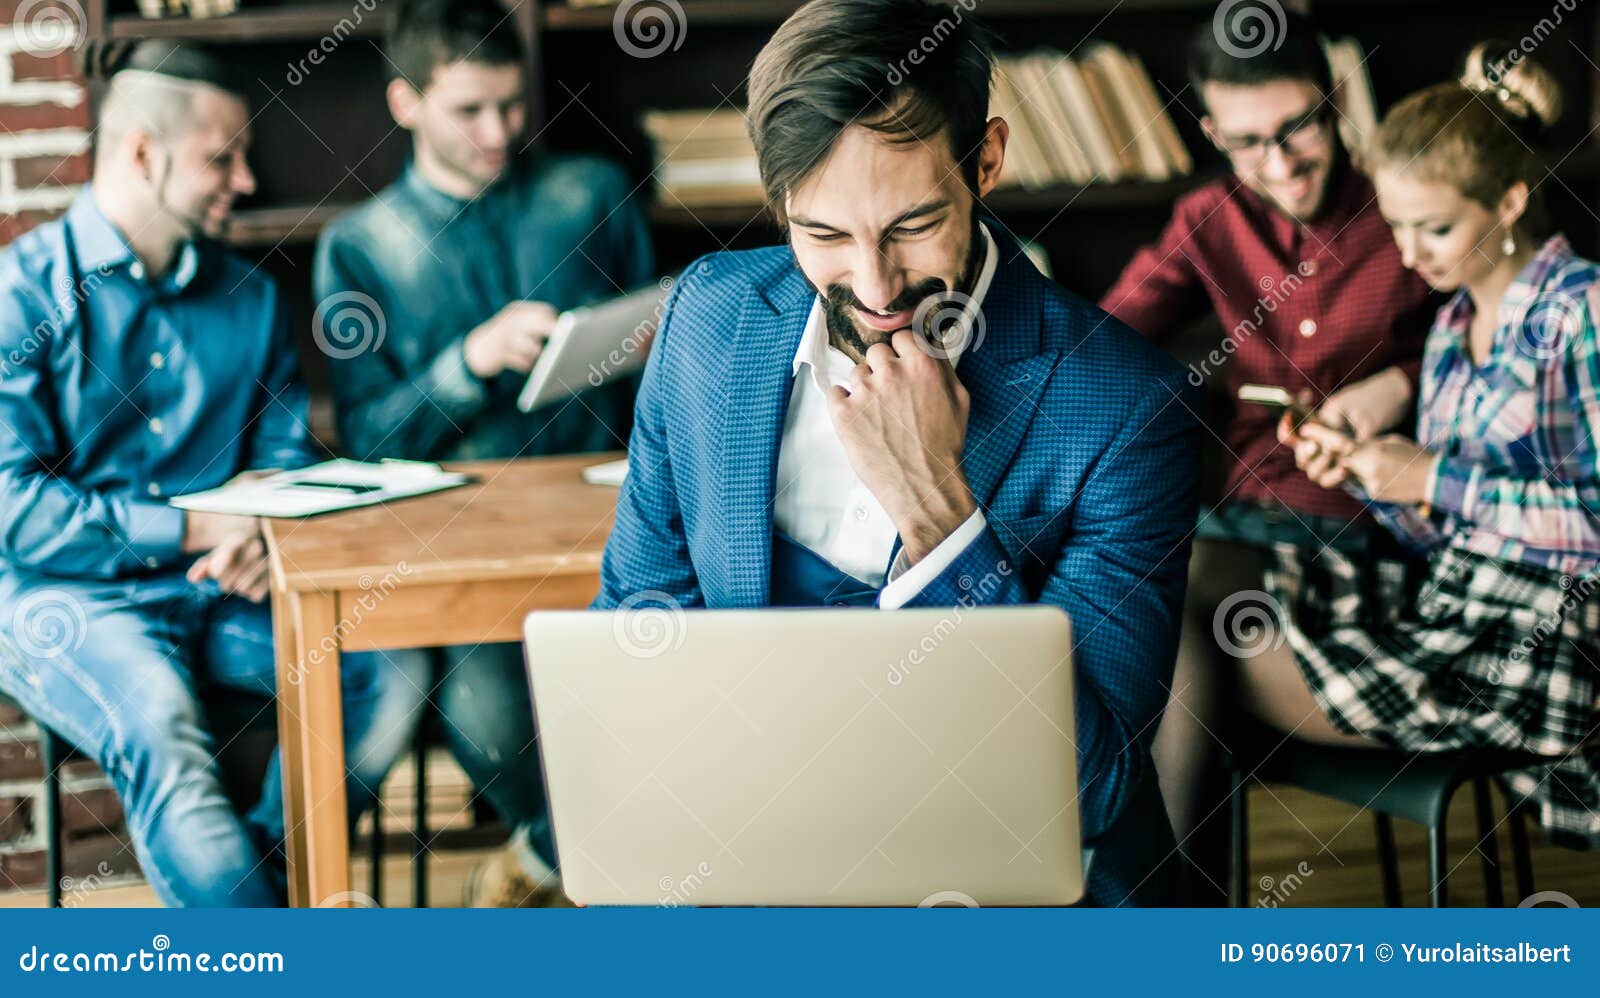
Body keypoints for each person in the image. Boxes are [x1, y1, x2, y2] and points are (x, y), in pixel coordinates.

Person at [594, 0, 1201, 907]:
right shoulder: (703, 320)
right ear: (778, 201)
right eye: (825, 235)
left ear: (986, 161)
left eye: (913, 225)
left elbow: (1091, 791)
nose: (873, 287)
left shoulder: (1128, 406)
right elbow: (637, 629)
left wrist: (938, 514)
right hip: (764, 877)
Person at [0, 42, 423, 906]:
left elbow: (284, 463)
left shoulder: (251, 297)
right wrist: (196, 528)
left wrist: (268, 540)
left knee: (395, 666)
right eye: (220, 158)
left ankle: (252, 906)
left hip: (217, 588)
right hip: (59, 597)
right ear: (144, 154)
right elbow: (13, 510)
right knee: (162, 727)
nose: (243, 182)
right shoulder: (20, 296)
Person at [313, 0, 653, 906]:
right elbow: (367, 439)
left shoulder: (591, 191)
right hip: (457, 543)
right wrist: (464, 365)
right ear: (405, 104)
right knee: (489, 718)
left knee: (683, 683)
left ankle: (568, 867)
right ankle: (585, 864)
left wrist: (640, 341)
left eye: (511, 104)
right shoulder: (358, 247)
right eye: (470, 111)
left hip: (613, 521)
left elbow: (659, 354)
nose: (501, 131)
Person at [1098, 6, 1436, 901]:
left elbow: (1485, 342)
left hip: (1371, 533)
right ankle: (1183, 920)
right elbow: (1105, 342)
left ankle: (1170, 923)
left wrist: (1399, 384)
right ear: (1211, 132)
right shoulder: (1207, 219)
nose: (1280, 164)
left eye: (1297, 130)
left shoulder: (1404, 205)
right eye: (1249, 144)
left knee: (1166, 623)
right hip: (1243, 531)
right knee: (1167, 608)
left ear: (1331, 106)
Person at [1272, 44, 1600, 850]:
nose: (1411, 256)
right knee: (1226, 597)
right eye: (1397, 228)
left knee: (1207, 667)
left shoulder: (1582, 310)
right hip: (1459, 602)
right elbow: (1449, 527)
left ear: (1512, 201)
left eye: (1437, 228)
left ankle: (1154, 927)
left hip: (1554, 635)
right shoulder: (1451, 328)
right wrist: (1376, 475)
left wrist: (1436, 478)